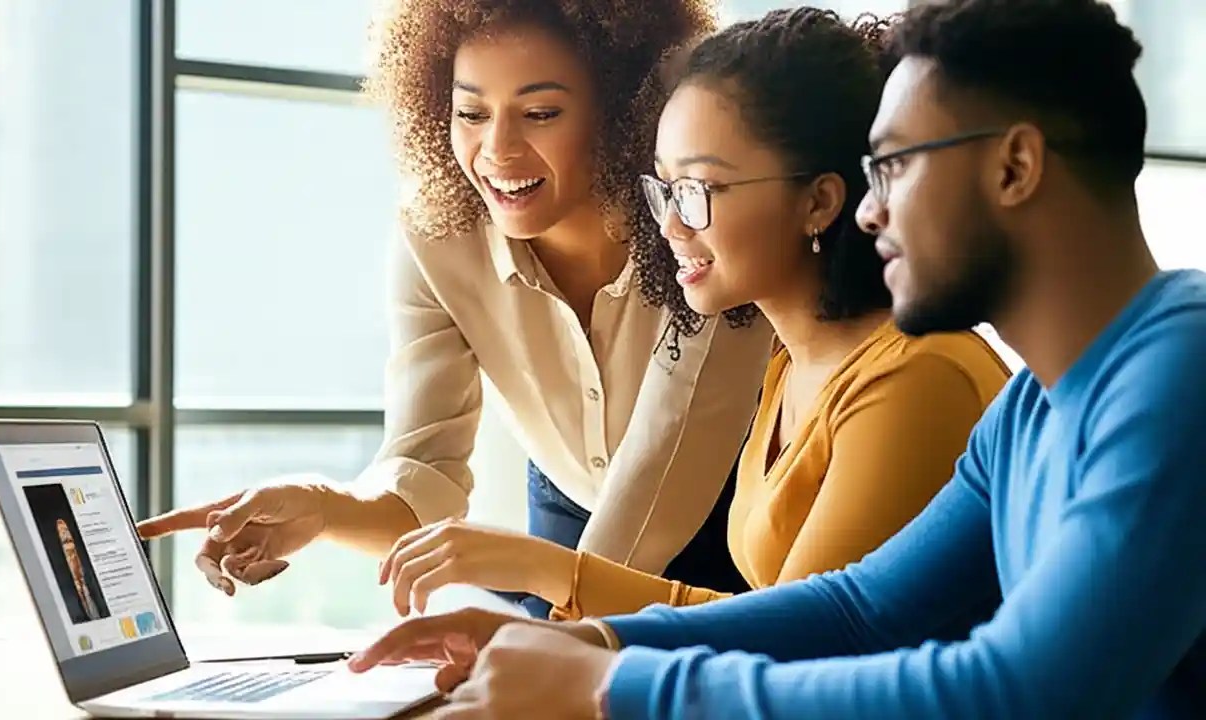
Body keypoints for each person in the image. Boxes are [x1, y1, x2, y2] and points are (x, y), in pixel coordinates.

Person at [349, 1, 1206, 717]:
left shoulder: (1181, 372)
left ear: (1016, 166)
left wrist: (615, 681)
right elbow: (859, 608)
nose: (869, 212)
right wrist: (584, 638)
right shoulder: (1032, 411)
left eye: (897, 166)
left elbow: (1023, 687)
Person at [134, 0, 775, 619]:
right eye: (470, 112)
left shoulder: (697, 227)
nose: (496, 149)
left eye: (541, 112)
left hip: (731, 523)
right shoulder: (436, 237)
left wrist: (547, 638)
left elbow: (669, 452)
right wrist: (322, 507)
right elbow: (423, 471)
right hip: (567, 512)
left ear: (622, 110)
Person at [378, 8, 1009, 623]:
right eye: (665, 189)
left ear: (819, 201)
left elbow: (805, 638)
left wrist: (548, 578)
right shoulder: (790, 372)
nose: (671, 225)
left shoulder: (915, 380)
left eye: (700, 191)